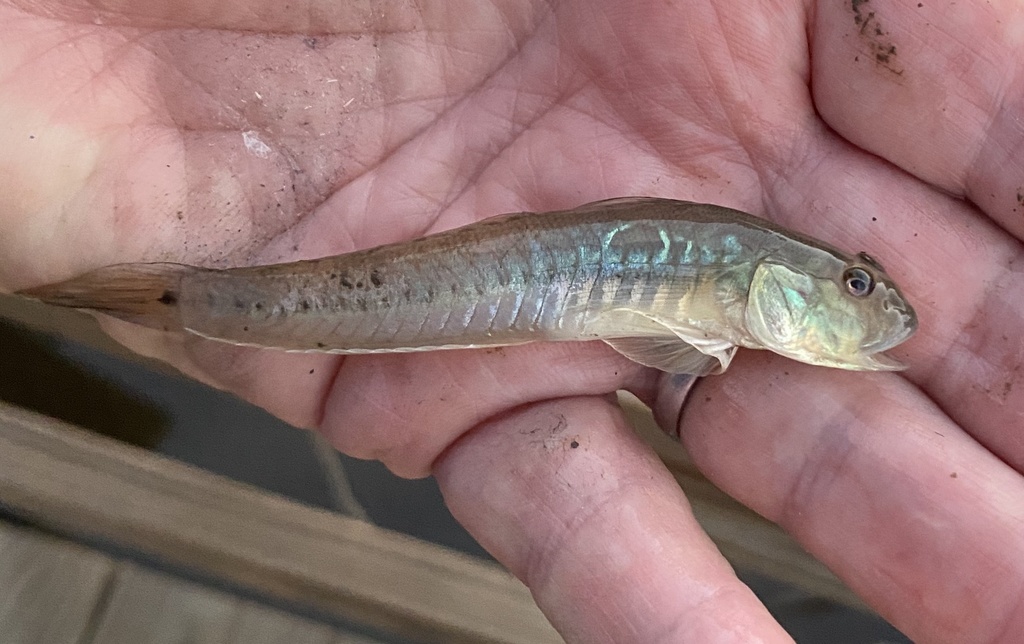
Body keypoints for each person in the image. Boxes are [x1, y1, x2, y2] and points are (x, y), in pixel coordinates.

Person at [3, 1, 1022, 640]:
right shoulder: (739, 264)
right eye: (852, 283)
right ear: (783, 282)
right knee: (259, 305)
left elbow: (658, 335)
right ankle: (174, 291)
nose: (872, 305)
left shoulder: (737, 278)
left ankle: (171, 291)